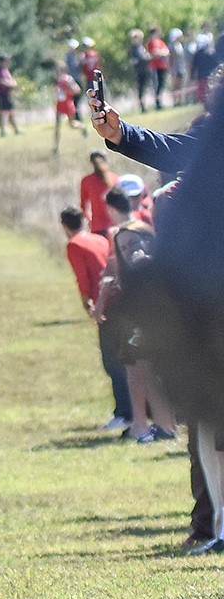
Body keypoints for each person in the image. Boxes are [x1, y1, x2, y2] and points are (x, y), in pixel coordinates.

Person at [97, 187, 174, 442]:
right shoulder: (130, 269)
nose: (129, 250)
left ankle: (159, 426)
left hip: (151, 326)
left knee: (146, 374)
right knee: (139, 373)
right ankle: (154, 426)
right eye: (123, 248)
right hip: (138, 324)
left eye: (132, 244)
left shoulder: (150, 262)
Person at [60, 207, 126, 431]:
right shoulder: (98, 239)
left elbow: (83, 278)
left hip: (104, 304)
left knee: (112, 362)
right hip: (120, 300)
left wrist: (86, 304)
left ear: (64, 226)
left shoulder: (74, 245)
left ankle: (123, 412)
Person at [80, 152, 118, 236]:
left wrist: (89, 219)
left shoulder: (86, 181)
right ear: (106, 161)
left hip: (97, 227)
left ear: (91, 163)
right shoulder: (115, 179)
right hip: (115, 225)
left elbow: (83, 206)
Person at [0, 54, 19, 137]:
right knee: (2, 112)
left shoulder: (5, 70)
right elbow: (1, 82)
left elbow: (9, 79)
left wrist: (13, 83)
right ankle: (3, 130)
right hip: (2, 95)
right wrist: (11, 85)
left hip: (7, 94)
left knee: (11, 112)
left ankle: (15, 129)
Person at [145, 26, 171, 110]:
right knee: (156, 85)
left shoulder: (160, 41)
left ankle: (160, 101)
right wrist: (161, 52)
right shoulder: (151, 42)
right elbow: (154, 53)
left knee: (161, 84)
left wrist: (161, 52)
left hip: (162, 66)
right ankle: (157, 103)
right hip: (155, 67)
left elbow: (167, 51)